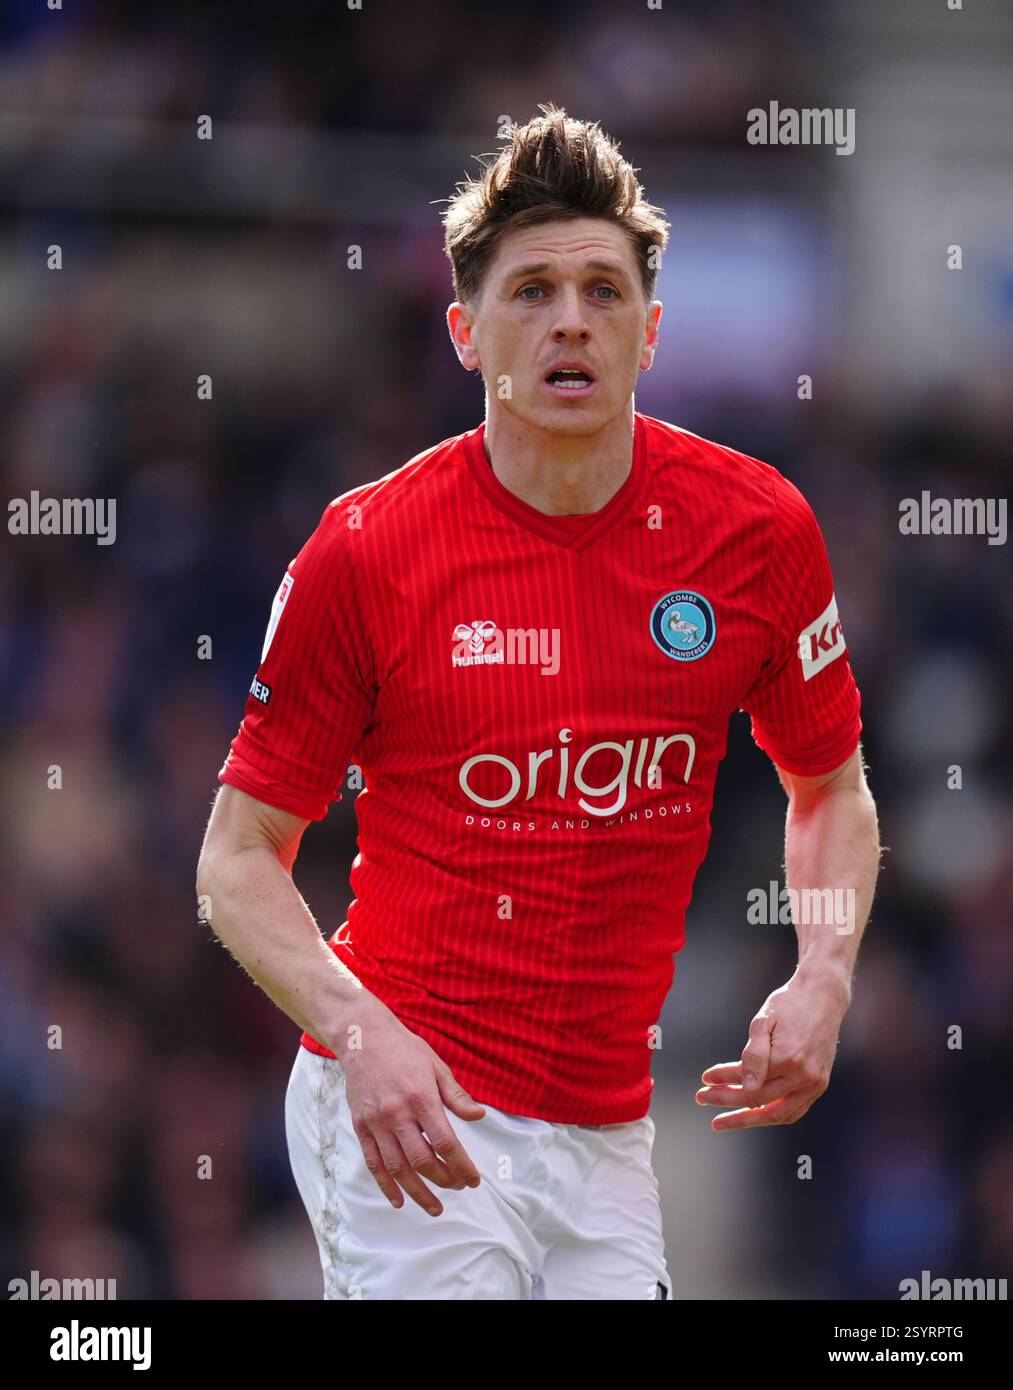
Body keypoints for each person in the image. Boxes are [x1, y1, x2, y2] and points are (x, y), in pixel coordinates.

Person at [196, 102, 881, 1301]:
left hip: (609, 1136)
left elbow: (826, 783)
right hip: (413, 1115)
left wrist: (822, 965)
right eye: (531, 291)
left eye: (603, 291)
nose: (570, 319)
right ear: (464, 331)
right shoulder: (366, 551)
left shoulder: (757, 533)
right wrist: (363, 1036)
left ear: (651, 330)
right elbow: (238, 858)